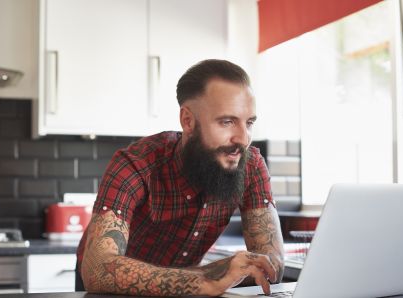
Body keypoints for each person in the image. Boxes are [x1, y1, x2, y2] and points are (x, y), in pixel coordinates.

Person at [76, 59, 284, 296]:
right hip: (111, 290)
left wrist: (210, 277)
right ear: (188, 121)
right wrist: (206, 278)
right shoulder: (135, 164)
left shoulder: (251, 165)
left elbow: (271, 262)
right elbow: (98, 270)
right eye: (227, 122)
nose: (243, 138)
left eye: (249, 123)